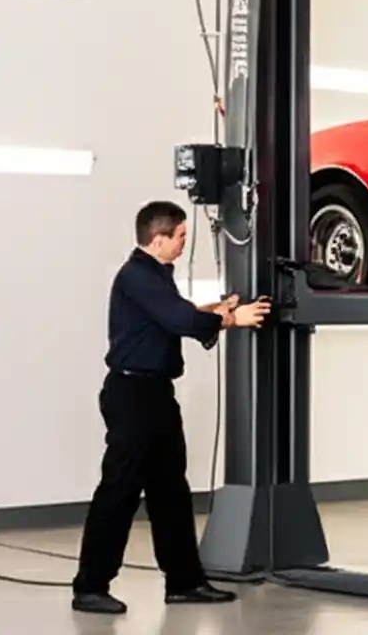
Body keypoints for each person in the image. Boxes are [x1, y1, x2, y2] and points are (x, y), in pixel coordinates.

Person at [71, 201, 271, 615]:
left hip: (156, 396)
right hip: (132, 397)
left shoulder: (155, 278)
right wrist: (232, 320)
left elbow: (173, 317)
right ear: (158, 239)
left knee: (170, 491)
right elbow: (178, 320)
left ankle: (183, 581)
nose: (184, 243)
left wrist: (215, 311)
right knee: (120, 489)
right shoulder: (136, 276)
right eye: (180, 236)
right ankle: (90, 585)